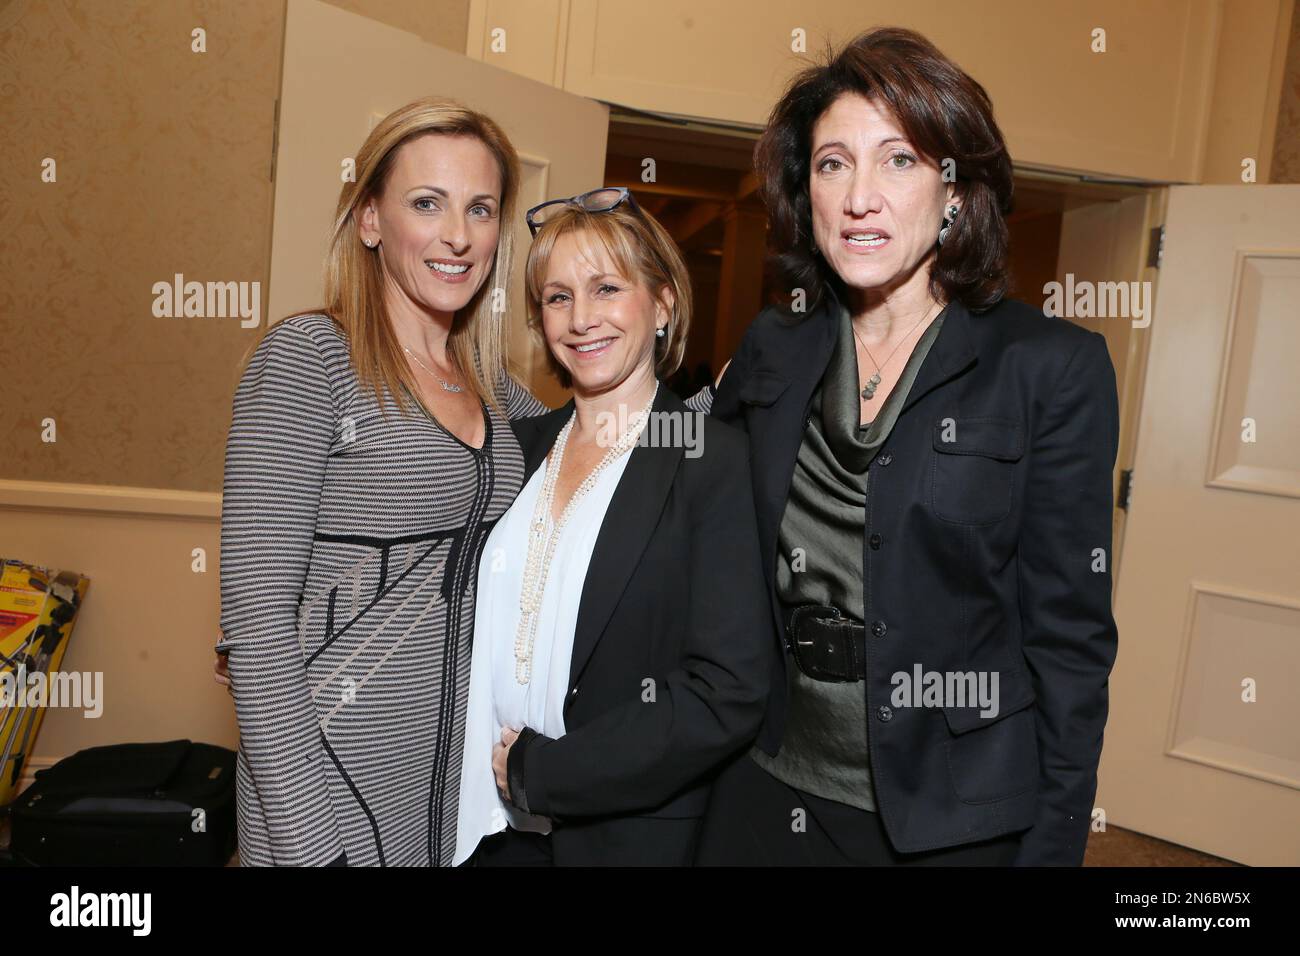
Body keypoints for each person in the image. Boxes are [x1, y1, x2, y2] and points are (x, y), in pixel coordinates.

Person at [695, 28, 1120, 866]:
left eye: (898, 160)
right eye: (832, 164)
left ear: (956, 191)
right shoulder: (775, 345)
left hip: (951, 812)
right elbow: (705, 535)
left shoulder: (1048, 369)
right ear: (804, 192)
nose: (860, 197)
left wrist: (1053, 845)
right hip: (766, 776)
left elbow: (1069, 642)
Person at [217, 97, 549, 866]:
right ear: (369, 218)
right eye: (426, 204)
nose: (458, 235)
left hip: (450, 805)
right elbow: (259, 627)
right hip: (324, 800)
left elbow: (613, 444)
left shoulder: (496, 389)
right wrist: (311, 850)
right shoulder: (308, 360)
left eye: (481, 208)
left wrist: (750, 386)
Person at [453, 188, 771, 866]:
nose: (581, 318)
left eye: (606, 288)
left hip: (617, 840)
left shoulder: (709, 459)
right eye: (558, 297)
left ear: (661, 303)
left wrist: (550, 772)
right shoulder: (516, 445)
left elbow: (728, 691)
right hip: (479, 830)